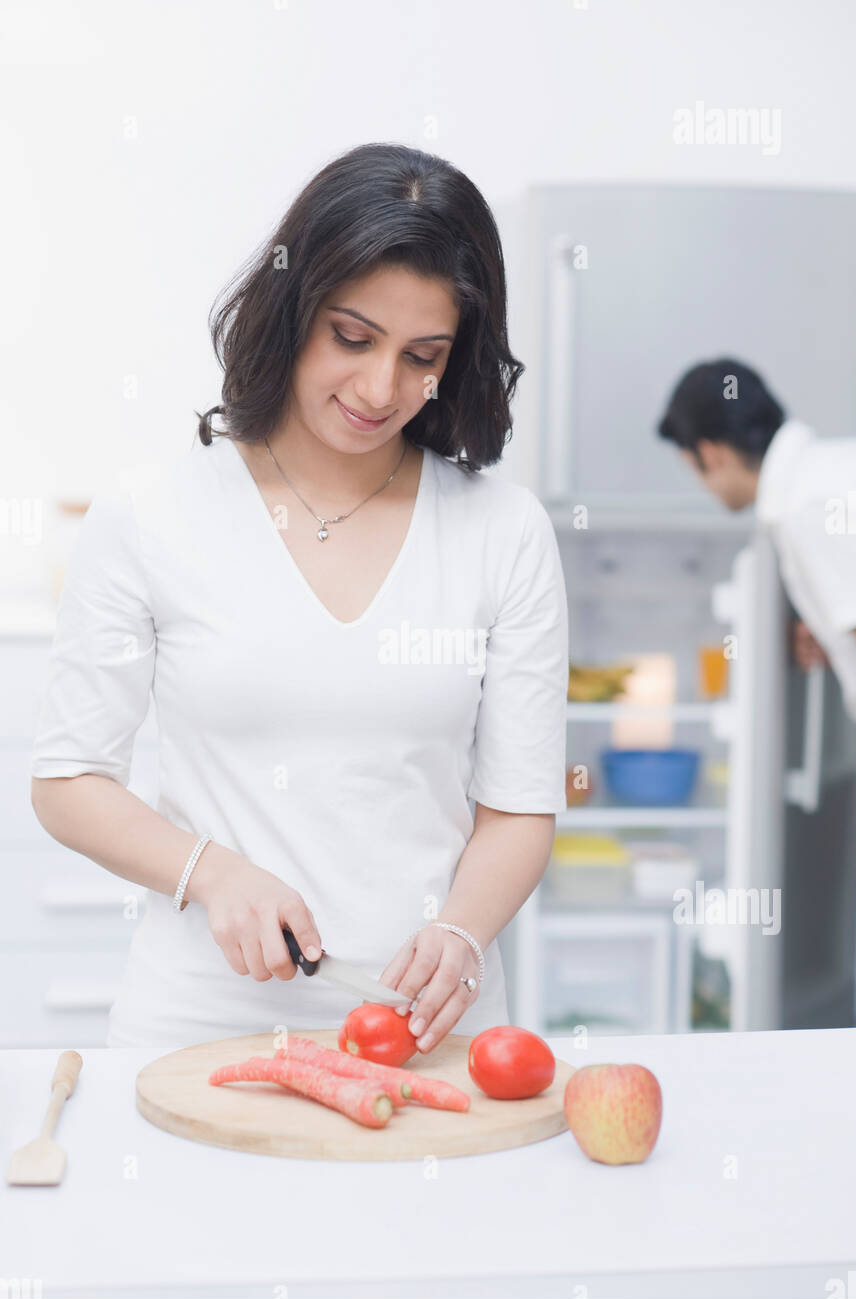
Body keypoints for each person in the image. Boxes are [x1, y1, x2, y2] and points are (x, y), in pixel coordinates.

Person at [30, 142, 569, 1051]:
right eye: (351, 338)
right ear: (290, 311)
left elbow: (517, 807)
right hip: (201, 1030)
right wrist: (208, 871)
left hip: (426, 1034)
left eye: (421, 356)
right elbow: (69, 781)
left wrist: (462, 931)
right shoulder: (152, 513)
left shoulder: (502, 533)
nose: (378, 388)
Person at [656, 358, 856, 996]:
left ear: (712, 453)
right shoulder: (832, 471)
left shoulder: (810, 505)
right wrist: (833, 632)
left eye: (692, 467)